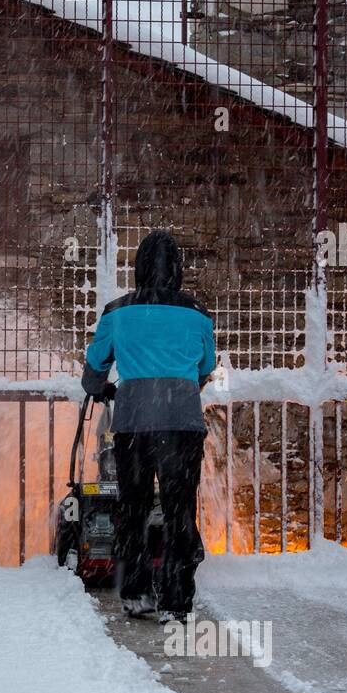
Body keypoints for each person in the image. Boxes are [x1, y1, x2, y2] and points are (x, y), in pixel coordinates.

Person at [80, 231, 214, 623]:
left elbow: (93, 374)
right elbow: (204, 368)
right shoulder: (198, 313)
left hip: (134, 424)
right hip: (183, 424)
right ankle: (177, 601)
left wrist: (105, 388)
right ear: (178, 269)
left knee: (133, 508)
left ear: (137, 267)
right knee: (179, 510)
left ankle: (137, 593)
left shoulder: (115, 312)